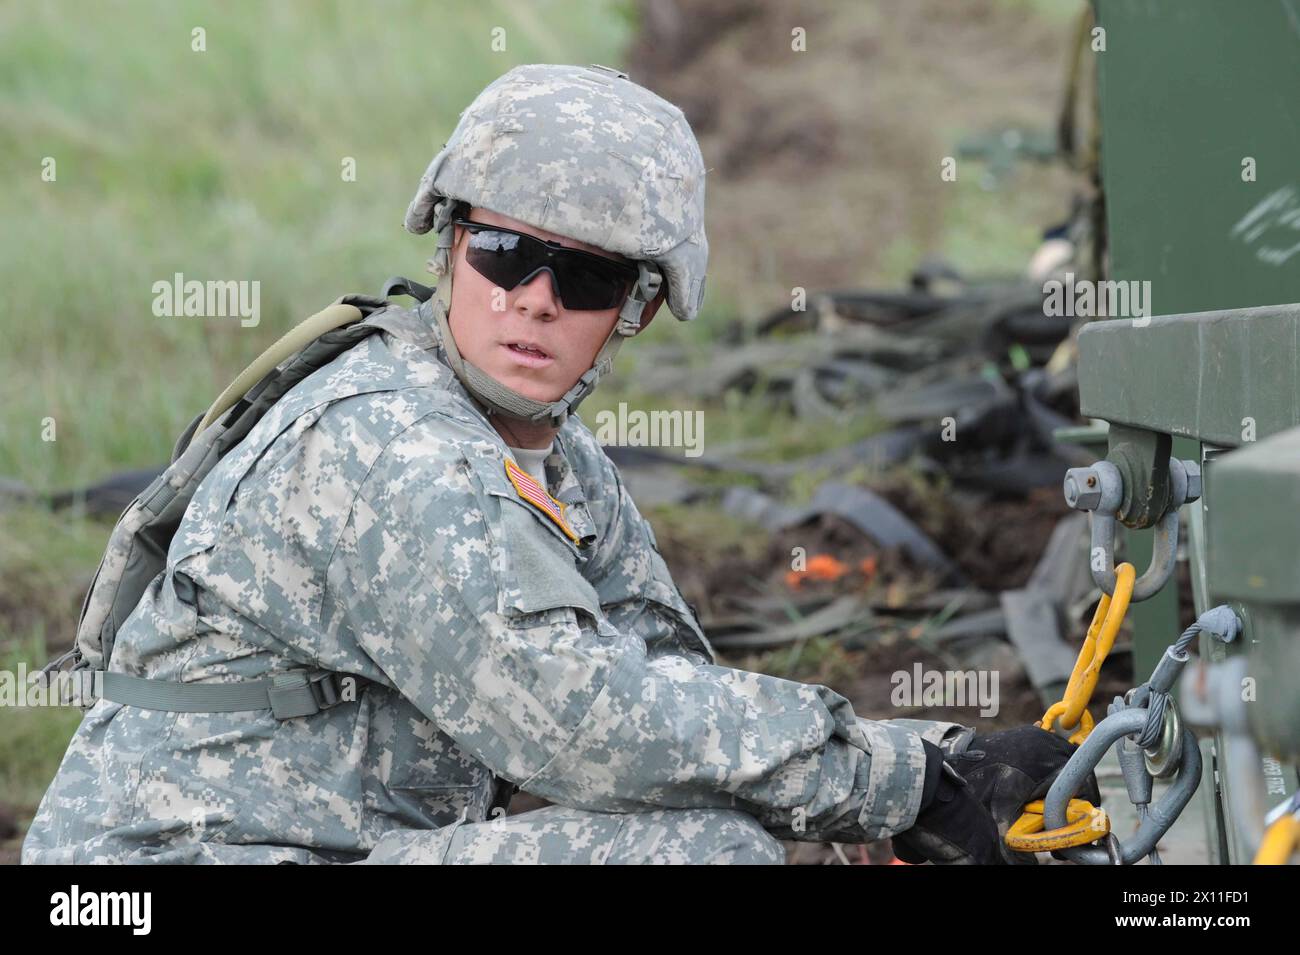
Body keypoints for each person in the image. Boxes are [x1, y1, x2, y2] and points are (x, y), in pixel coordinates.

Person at [22, 64, 1090, 865]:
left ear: (634, 308)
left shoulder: (552, 454)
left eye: (580, 274)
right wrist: (896, 784)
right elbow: (581, 728)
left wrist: (945, 756)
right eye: (503, 253)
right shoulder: (392, 444)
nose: (533, 296)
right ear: (449, 248)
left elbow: (671, 691)